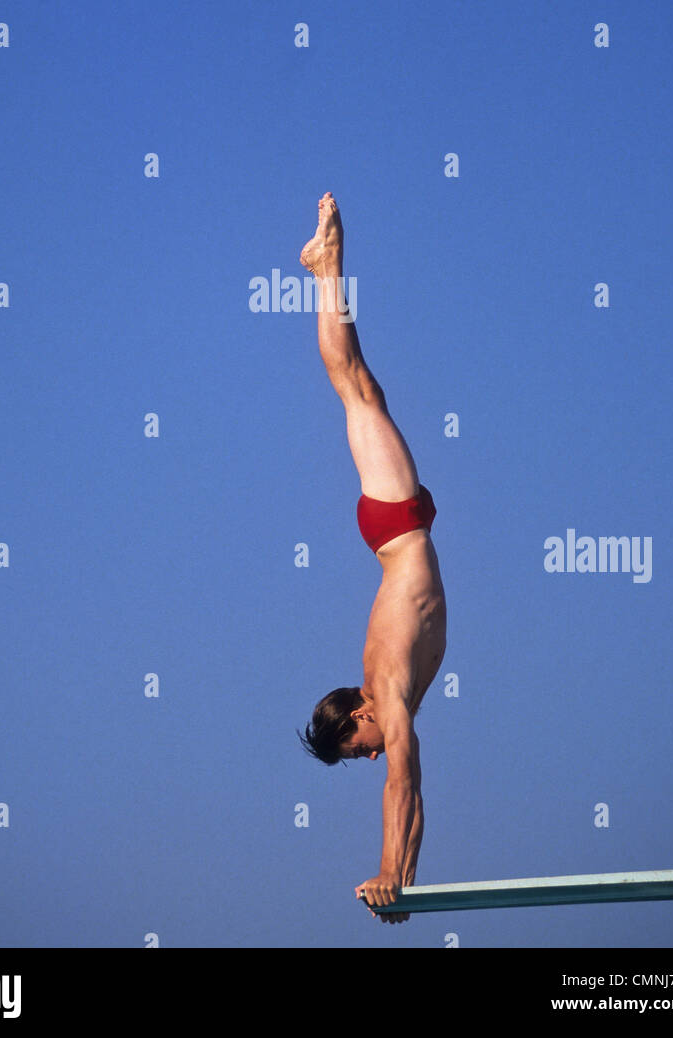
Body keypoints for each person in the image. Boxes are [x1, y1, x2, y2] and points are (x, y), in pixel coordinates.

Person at [298, 193, 446, 924]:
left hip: (396, 525)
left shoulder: (385, 689)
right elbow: (412, 786)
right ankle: (325, 268)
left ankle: (327, 267)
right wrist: (404, 885)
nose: (370, 757)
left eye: (357, 748)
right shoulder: (397, 707)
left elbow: (402, 786)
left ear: (358, 713)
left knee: (354, 386)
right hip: (400, 528)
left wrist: (387, 867)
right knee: (360, 389)